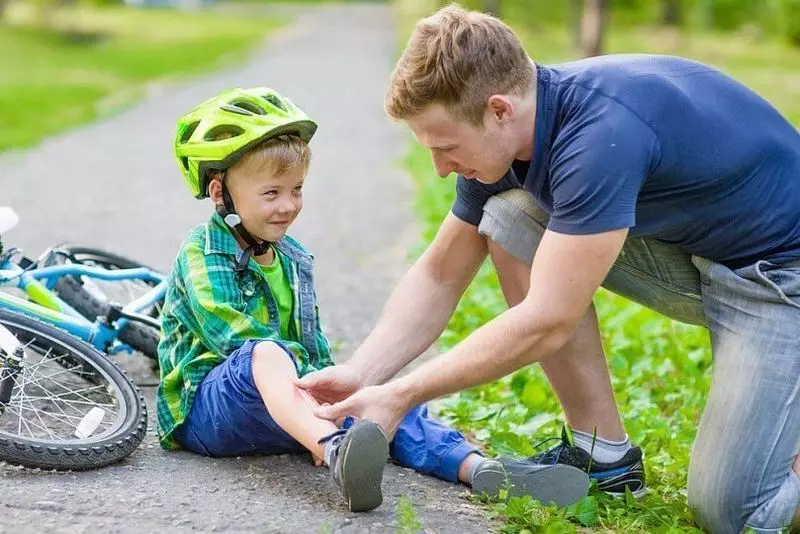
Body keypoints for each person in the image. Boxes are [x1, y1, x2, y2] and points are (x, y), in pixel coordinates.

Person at [296, 5, 800, 532]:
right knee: (512, 216)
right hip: (706, 256)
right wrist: (363, 374)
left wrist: (402, 394)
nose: (441, 169)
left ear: (498, 110)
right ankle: (600, 453)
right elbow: (441, 273)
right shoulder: (511, 135)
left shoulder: (598, 136)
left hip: (780, 277)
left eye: (445, 147)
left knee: (734, 513)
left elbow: (548, 319)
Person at [155, 87, 590, 513]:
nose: (288, 206)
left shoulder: (291, 257)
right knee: (265, 353)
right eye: (271, 194)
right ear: (219, 193)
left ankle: (480, 470)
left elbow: (310, 343)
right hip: (208, 411)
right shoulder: (203, 251)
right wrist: (318, 405)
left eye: (297, 190)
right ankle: (335, 451)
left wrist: (335, 396)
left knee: (378, 400)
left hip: (287, 409)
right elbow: (232, 336)